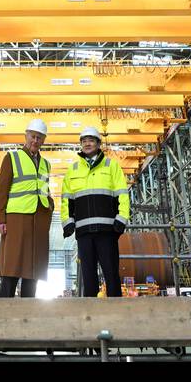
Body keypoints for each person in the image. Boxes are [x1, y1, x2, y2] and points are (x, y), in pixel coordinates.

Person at [60, 126, 129, 297]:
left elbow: (122, 194)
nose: (87, 144)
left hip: (107, 230)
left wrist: (122, 218)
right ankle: (90, 316)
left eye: (91, 140)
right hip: (84, 233)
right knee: (88, 277)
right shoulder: (73, 170)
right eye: (84, 141)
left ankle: (115, 314)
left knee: (111, 275)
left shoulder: (111, 166)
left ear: (98, 144)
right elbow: (66, 199)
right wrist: (67, 222)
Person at [0, 117, 53, 298]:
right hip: (15, 220)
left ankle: (29, 311)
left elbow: (44, 190)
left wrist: (50, 206)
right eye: (33, 136)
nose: (36, 141)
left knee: (32, 270)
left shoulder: (45, 164)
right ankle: (5, 310)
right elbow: (2, 190)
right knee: (11, 268)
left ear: (43, 140)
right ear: (26, 136)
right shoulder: (12, 158)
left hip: (38, 221)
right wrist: (0, 220)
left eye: (39, 138)